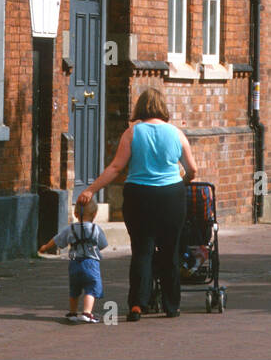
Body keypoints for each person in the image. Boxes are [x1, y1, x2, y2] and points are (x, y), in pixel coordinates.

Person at [78, 87, 198, 321]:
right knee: (169, 251)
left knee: (142, 251)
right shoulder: (177, 133)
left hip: (139, 197)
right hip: (171, 197)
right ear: (163, 108)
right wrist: (180, 182)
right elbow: (193, 170)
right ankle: (171, 305)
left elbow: (115, 167)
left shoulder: (132, 133)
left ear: (140, 108)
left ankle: (137, 305)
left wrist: (91, 190)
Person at [39, 200, 108, 323]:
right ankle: (87, 313)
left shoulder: (70, 229)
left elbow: (57, 240)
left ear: (75, 214)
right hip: (91, 263)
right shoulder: (96, 229)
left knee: (74, 288)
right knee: (91, 288)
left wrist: (45, 247)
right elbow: (103, 244)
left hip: (74, 263)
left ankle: (72, 312)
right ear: (95, 214)